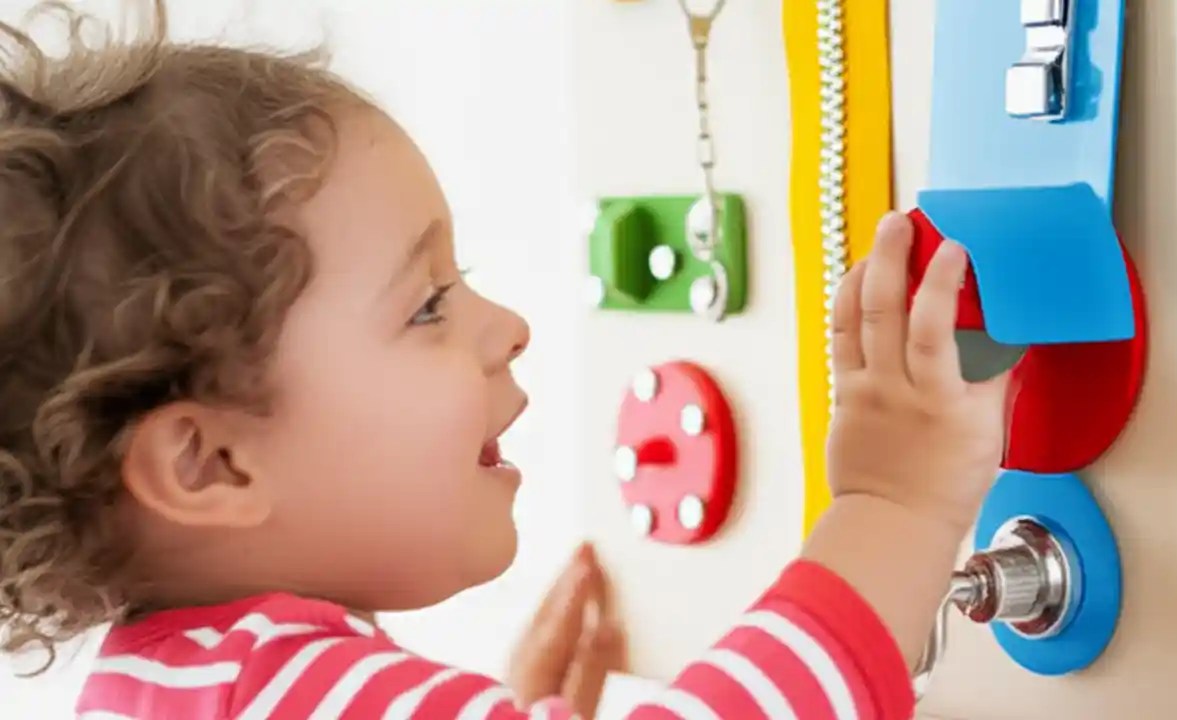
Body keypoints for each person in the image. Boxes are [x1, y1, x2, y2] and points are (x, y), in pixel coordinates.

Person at [0, 1, 1010, 718]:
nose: (507, 327)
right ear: (210, 465)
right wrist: (893, 509)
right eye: (427, 304)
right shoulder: (284, 696)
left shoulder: (168, 690)